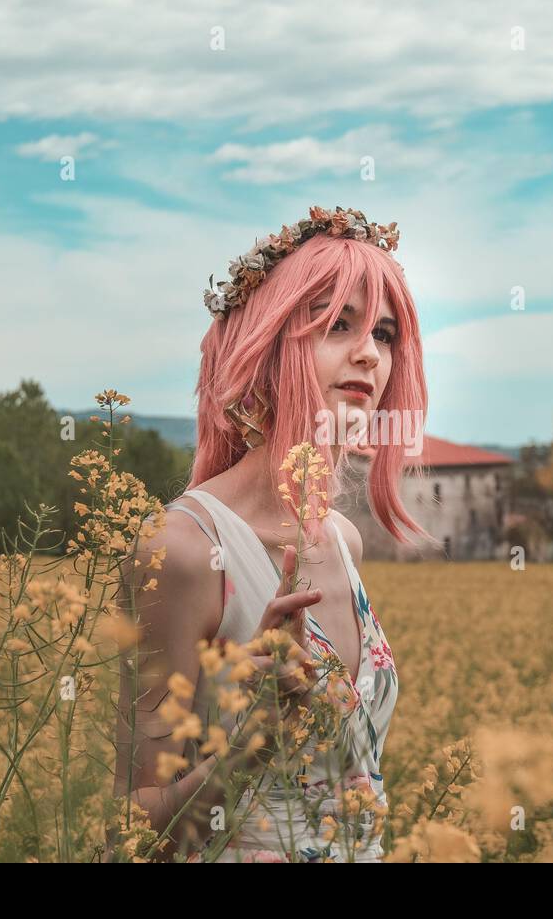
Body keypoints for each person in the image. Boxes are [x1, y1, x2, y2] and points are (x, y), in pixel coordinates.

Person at [112, 207, 433, 862]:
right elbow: (130, 836)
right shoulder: (181, 552)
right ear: (266, 347)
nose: (369, 353)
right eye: (335, 324)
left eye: (385, 332)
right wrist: (254, 738)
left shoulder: (343, 540)